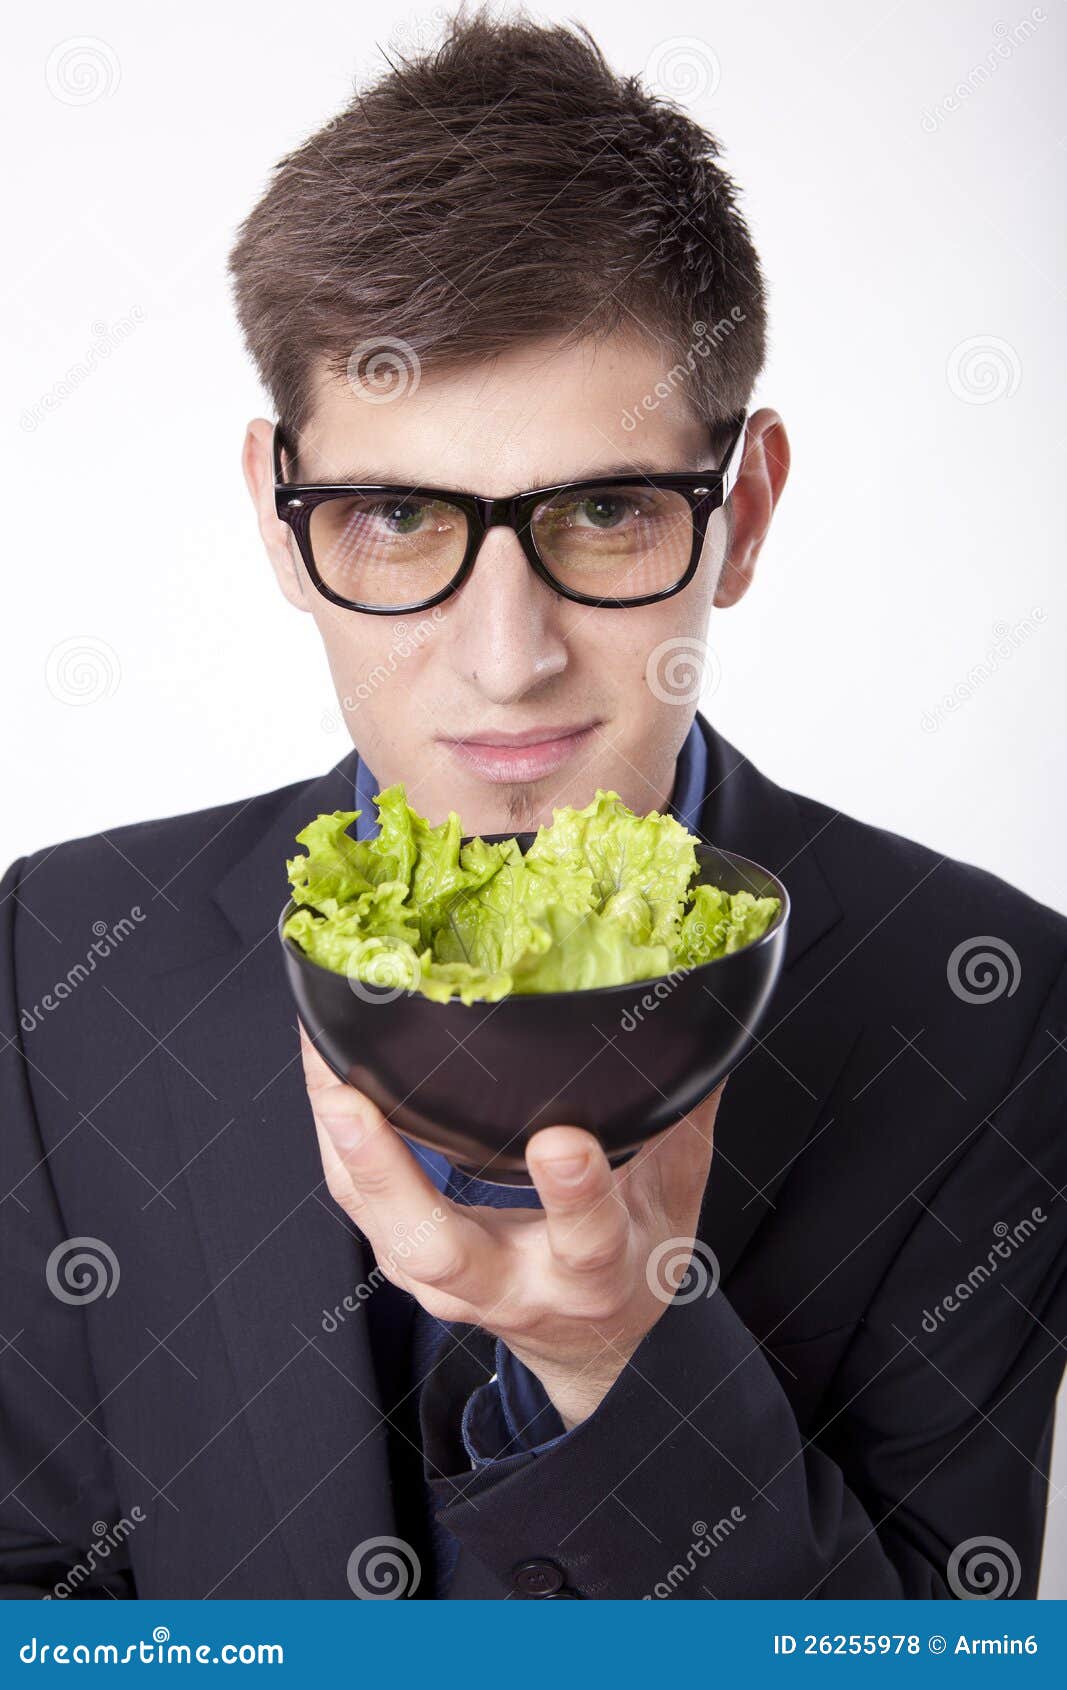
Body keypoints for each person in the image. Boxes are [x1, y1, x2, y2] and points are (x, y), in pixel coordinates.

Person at [2, 12, 1064, 1602]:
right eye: (390, 513)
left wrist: (619, 1357)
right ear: (287, 531)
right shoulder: (58, 961)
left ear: (745, 511)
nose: (509, 660)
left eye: (610, 510)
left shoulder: (998, 1007)